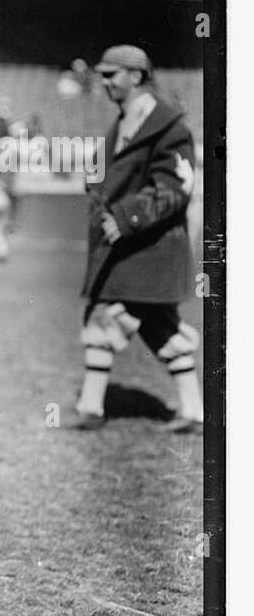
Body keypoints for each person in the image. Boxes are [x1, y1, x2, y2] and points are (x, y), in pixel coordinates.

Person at [70, 45, 201, 433]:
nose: (105, 81)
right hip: (132, 250)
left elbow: (175, 188)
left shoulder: (168, 126)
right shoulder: (127, 120)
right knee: (159, 326)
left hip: (149, 247)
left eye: (112, 74)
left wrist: (125, 218)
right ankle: (191, 412)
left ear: (138, 76)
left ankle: (92, 408)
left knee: (109, 317)